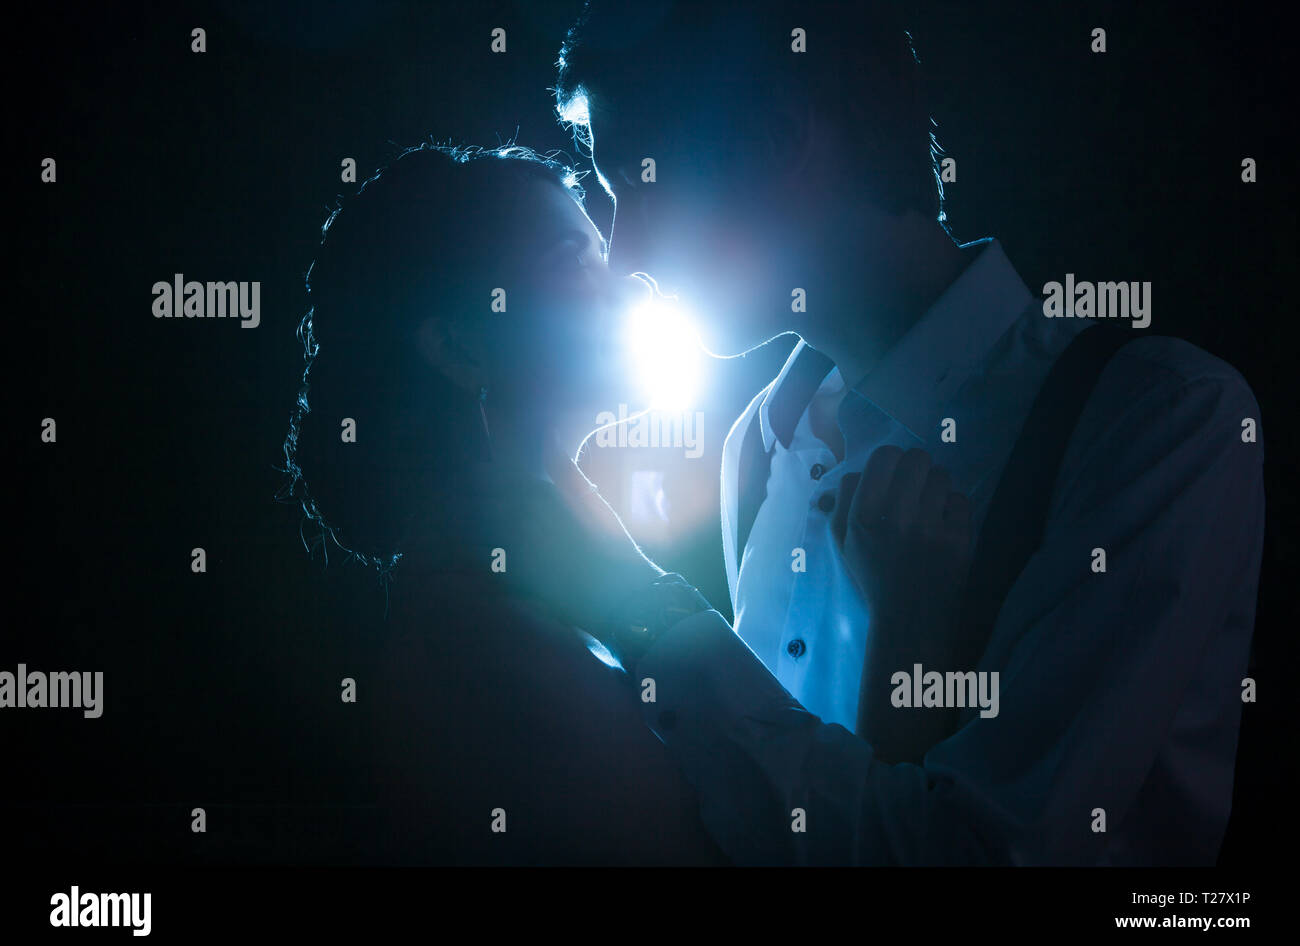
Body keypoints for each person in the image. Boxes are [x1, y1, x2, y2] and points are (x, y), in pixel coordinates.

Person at [461, 0, 1266, 864]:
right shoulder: (757, 444)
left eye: (640, 183)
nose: (626, 257)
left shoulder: (1159, 421)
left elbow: (976, 853)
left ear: (778, 135)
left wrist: (643, 606)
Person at [279, 141, 727, 864]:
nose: (636, 286)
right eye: (574, 262)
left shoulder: (501, 601)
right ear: (459, 347)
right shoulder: (484, 643)